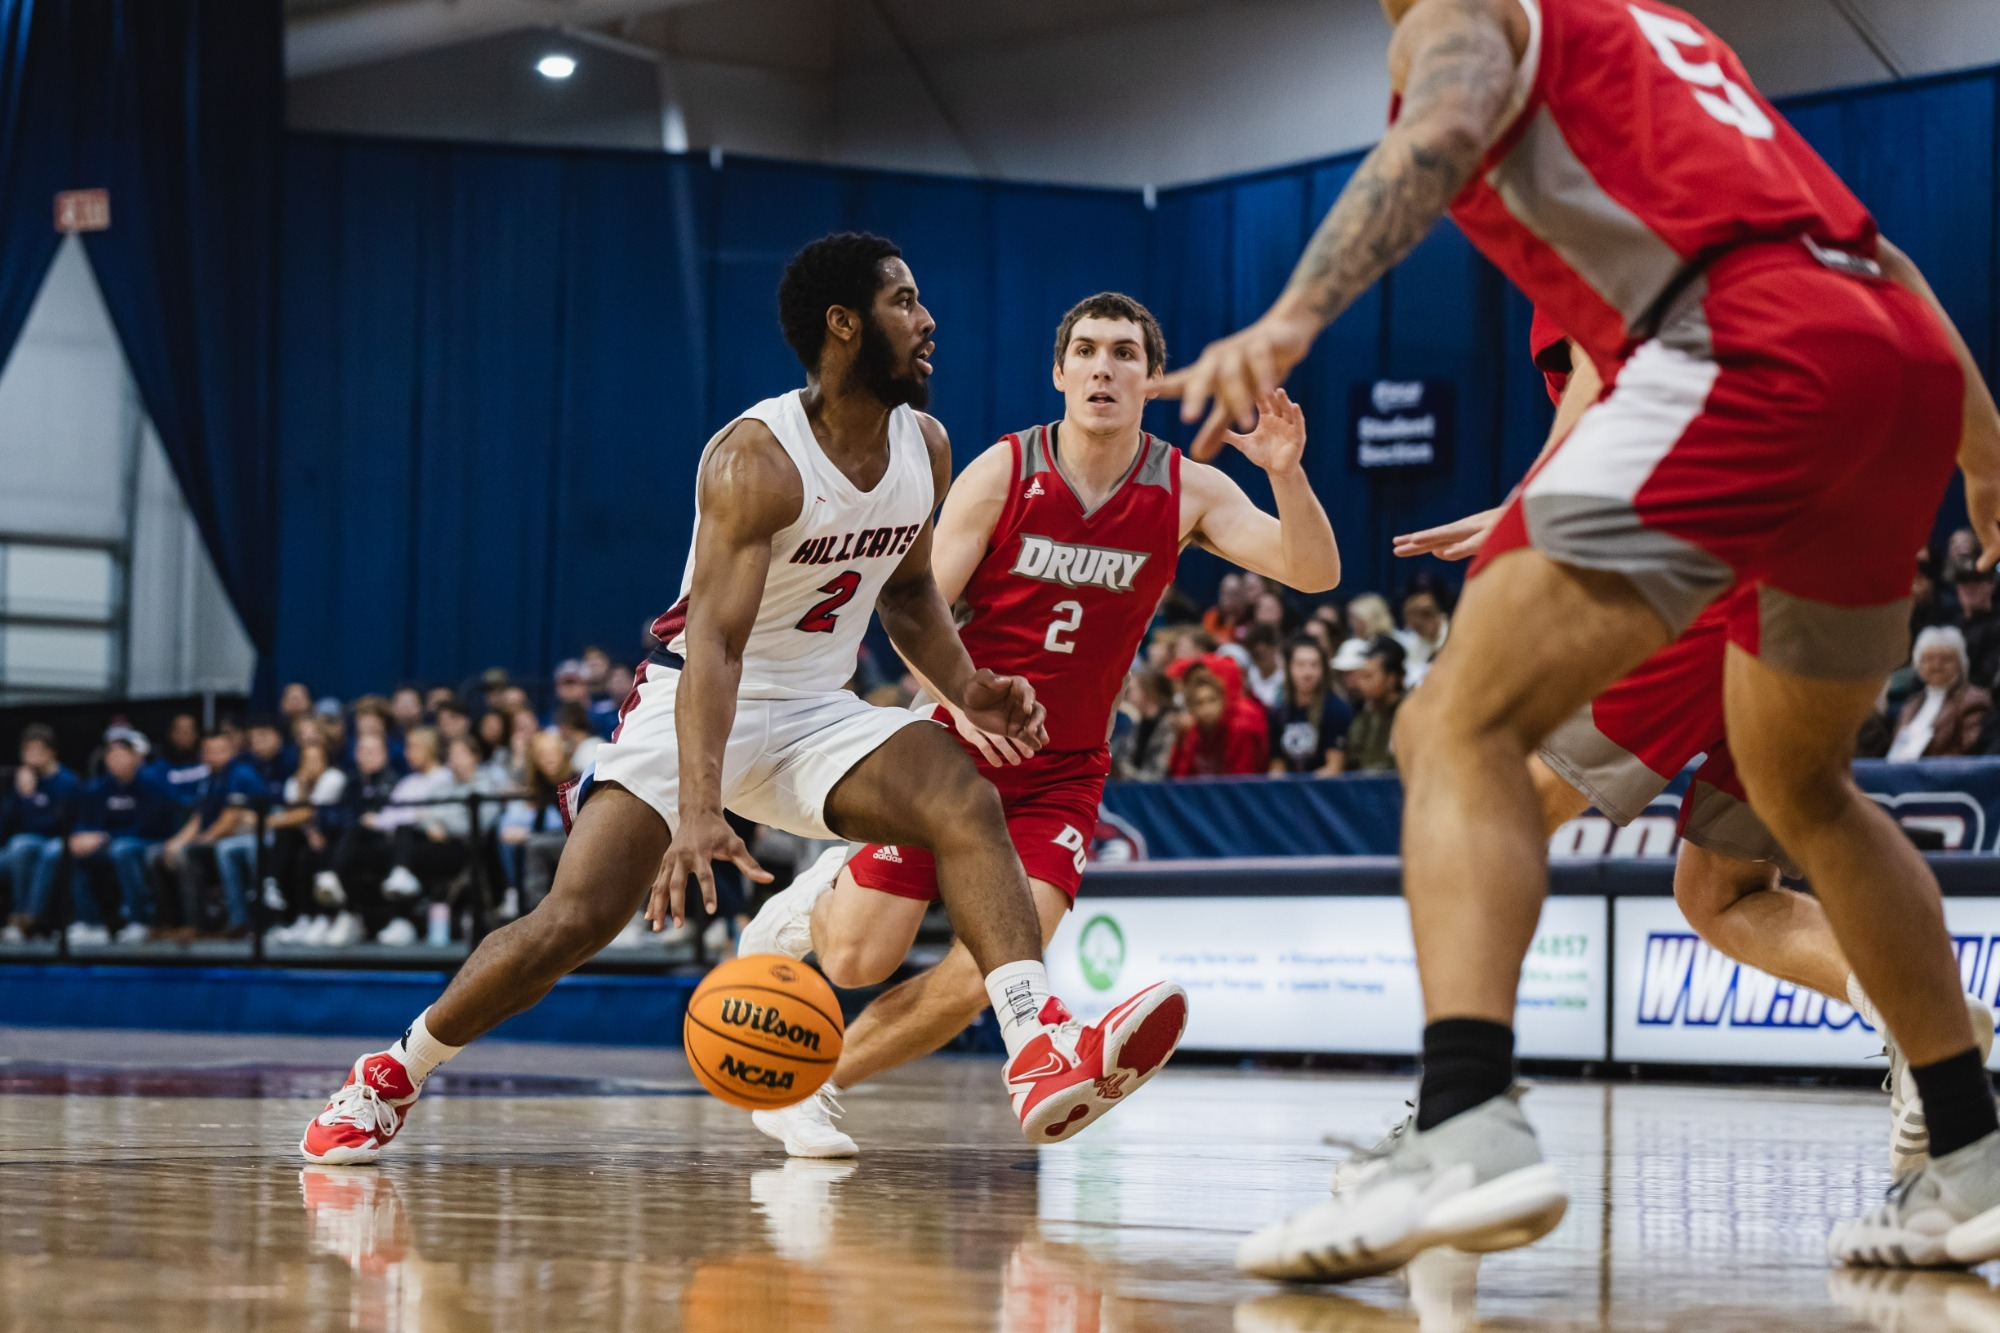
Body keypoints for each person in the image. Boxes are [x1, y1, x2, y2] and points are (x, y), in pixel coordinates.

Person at [1162, 0, 2000, 1277]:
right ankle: (1968, 1150)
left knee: (1453, 723)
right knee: (1806, 793)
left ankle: (1461, 1118)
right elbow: (1875, 253)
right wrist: (1981, 447)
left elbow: (1441, 123)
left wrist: (1288, 318)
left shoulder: (1459, 15)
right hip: (1886, 364)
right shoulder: (1660, 36)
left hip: (1741, 351)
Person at [302, 233, 1188, 1164]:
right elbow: (715, 645)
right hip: (693, 701)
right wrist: (698, 808)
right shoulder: (756, 459)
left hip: (817, 708)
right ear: (844, 325)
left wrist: (968, 687)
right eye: (905, 302)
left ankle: (1036, 1044)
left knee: (957, 787)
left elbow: (912, 592)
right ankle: (392, 1072)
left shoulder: (922, 443)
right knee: (572, 923)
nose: (929, 322)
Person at [738, 290, 1337, 1156]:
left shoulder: (1185, 489)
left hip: (1062, 771)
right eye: (1087, 351)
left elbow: (1312, 572)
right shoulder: (1002, 470)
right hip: (951, 747)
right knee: (859, 960)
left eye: (1124, 353)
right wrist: (957, 699)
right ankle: (822, 897)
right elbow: (913, 613)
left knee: (988, 971)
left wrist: (1286, 471)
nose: (1103, 367)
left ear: (1150, 378)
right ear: (1058, 374)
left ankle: (810, 1082)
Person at [66, 728, 187, 944]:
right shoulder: (99, 787)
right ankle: (89, 923)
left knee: (123, 849)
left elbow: (147, 826)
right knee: (75, 850)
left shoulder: (151, 784)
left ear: (136, 757)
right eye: (111, 755)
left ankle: (139, 920)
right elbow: (85, 820)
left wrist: (104, 837)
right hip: (112, 841)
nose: (116, 760)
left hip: (153, 840)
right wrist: (79, 837)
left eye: (122, 754)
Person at [158, 731, 265, 939]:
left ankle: (232, 921)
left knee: (192, 853)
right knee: (161, 854)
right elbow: (199, 817)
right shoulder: (209, 779)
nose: (214, 755)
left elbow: (231, 817)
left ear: (232, 751)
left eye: (220, 750)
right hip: (223, 837)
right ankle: (175, 922)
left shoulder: (240, 773)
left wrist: (204, 839)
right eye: (209, 751)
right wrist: (176, 842)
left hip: (249, 834)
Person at [263, 740, 349, 943]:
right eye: (306, 759)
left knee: (303, 853)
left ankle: (317, 916)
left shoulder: (333, 778)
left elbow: (308, 813)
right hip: (306, 835)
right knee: (289, 841)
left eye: (316, 759)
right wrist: (302, 785)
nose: (311, 764)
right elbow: (296, 813)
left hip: (333, 834)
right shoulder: (296, 781)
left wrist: (272, 821)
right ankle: (293, 910)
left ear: (326, 761)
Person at [1, 724, 81, 939]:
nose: (32, 757)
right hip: (29, 841)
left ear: (51, 752)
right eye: (27, 752)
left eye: (37, 751)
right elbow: (8, 822)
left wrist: (28, 798)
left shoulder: (66, 781)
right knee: (19, 847)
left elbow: (54, 824)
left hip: (59, 839)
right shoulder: (23, 779)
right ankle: (18, 918)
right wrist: (22, 793)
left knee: (40, 850)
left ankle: (29, 918)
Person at [1887, 626, 1990, 761]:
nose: (1936, 665)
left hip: (1944, 778)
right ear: (1918, 665)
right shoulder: (1910, 705)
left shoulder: (1974, 700)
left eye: (1946, 659)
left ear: (1961, 664)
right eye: (1928, 659)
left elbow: (1969, 751)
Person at [498, 729, 572, 915]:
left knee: (534, 845)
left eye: (552, 753)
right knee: (508, 836)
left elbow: (573, 823)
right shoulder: (541, 784)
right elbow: (539, 822)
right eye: (542, 754)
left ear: (562, 754)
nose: (549, 759)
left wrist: (528, 834)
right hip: (555, 836)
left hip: (578, 837)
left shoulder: (575, 779)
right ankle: (513, 892)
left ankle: (537, 913)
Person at [1168, 661, 1272, 778]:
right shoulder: (1191, 734)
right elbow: (1180, 779)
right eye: (1199, 703)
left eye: (1212, 700)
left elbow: (1242, 782)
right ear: (1191, 707)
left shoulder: (1239, 730)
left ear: (1222, 700)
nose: (1207, 709)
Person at [1269, 636, 1352, 776]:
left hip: (1322, 792)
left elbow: (1334, 767)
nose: (1307, 673)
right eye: (1300, 665)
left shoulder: (1336, 710)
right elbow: (1277, 763)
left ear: (1323, 670)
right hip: (1288, 791)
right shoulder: (1278, 712)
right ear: (1289, 668)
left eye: (1314, 665)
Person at [1340, 637, 1405, 773]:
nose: (1360, 683)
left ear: (1390, 679)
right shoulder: (1363, 715)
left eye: (1368, 676)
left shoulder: (1409, 713)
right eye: (1360, 677)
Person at [1110, 671, 1180, 781]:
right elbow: (1122, 759)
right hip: (1137, 788)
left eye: (1133, 690)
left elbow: (1158, 774)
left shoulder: (1170, 724)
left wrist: (1125, 772)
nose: (1127, 695)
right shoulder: (1135, 723)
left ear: (1150, 692)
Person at [1397, 590, 1449, 686]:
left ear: (1432, 616)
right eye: (1413, 628)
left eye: (1419, 627)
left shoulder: (1452, 633)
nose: (1417, 632)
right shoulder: (1415, 640)